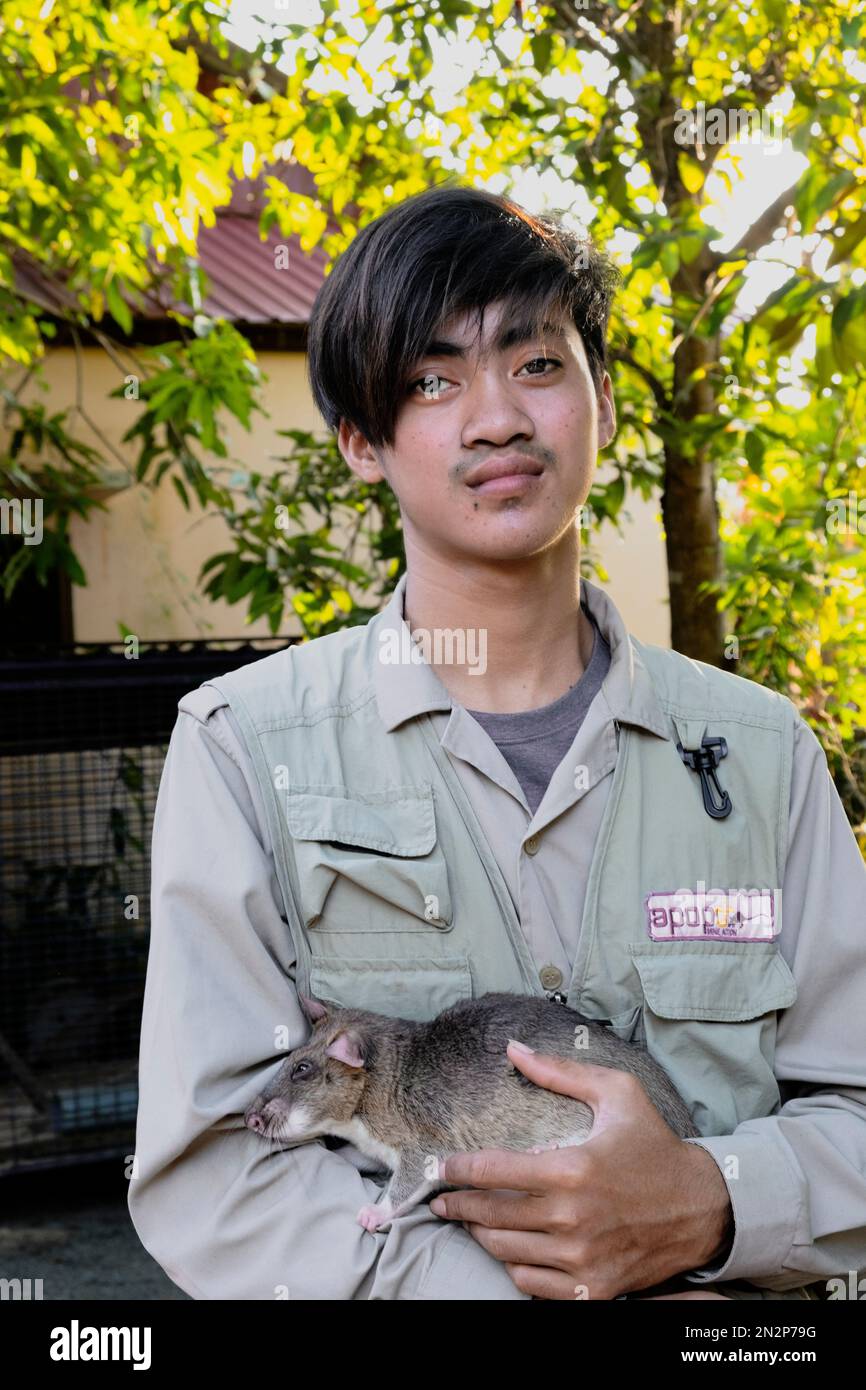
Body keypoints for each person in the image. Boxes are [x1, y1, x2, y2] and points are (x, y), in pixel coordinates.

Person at [129, 184, 866, 1301]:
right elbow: (214, 1169)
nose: (495, 419)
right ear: (361, 443)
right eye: (430, 381)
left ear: (602, 402)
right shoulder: (242, 748)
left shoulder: (760, 754)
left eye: (534, 364)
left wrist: (710, 1203)